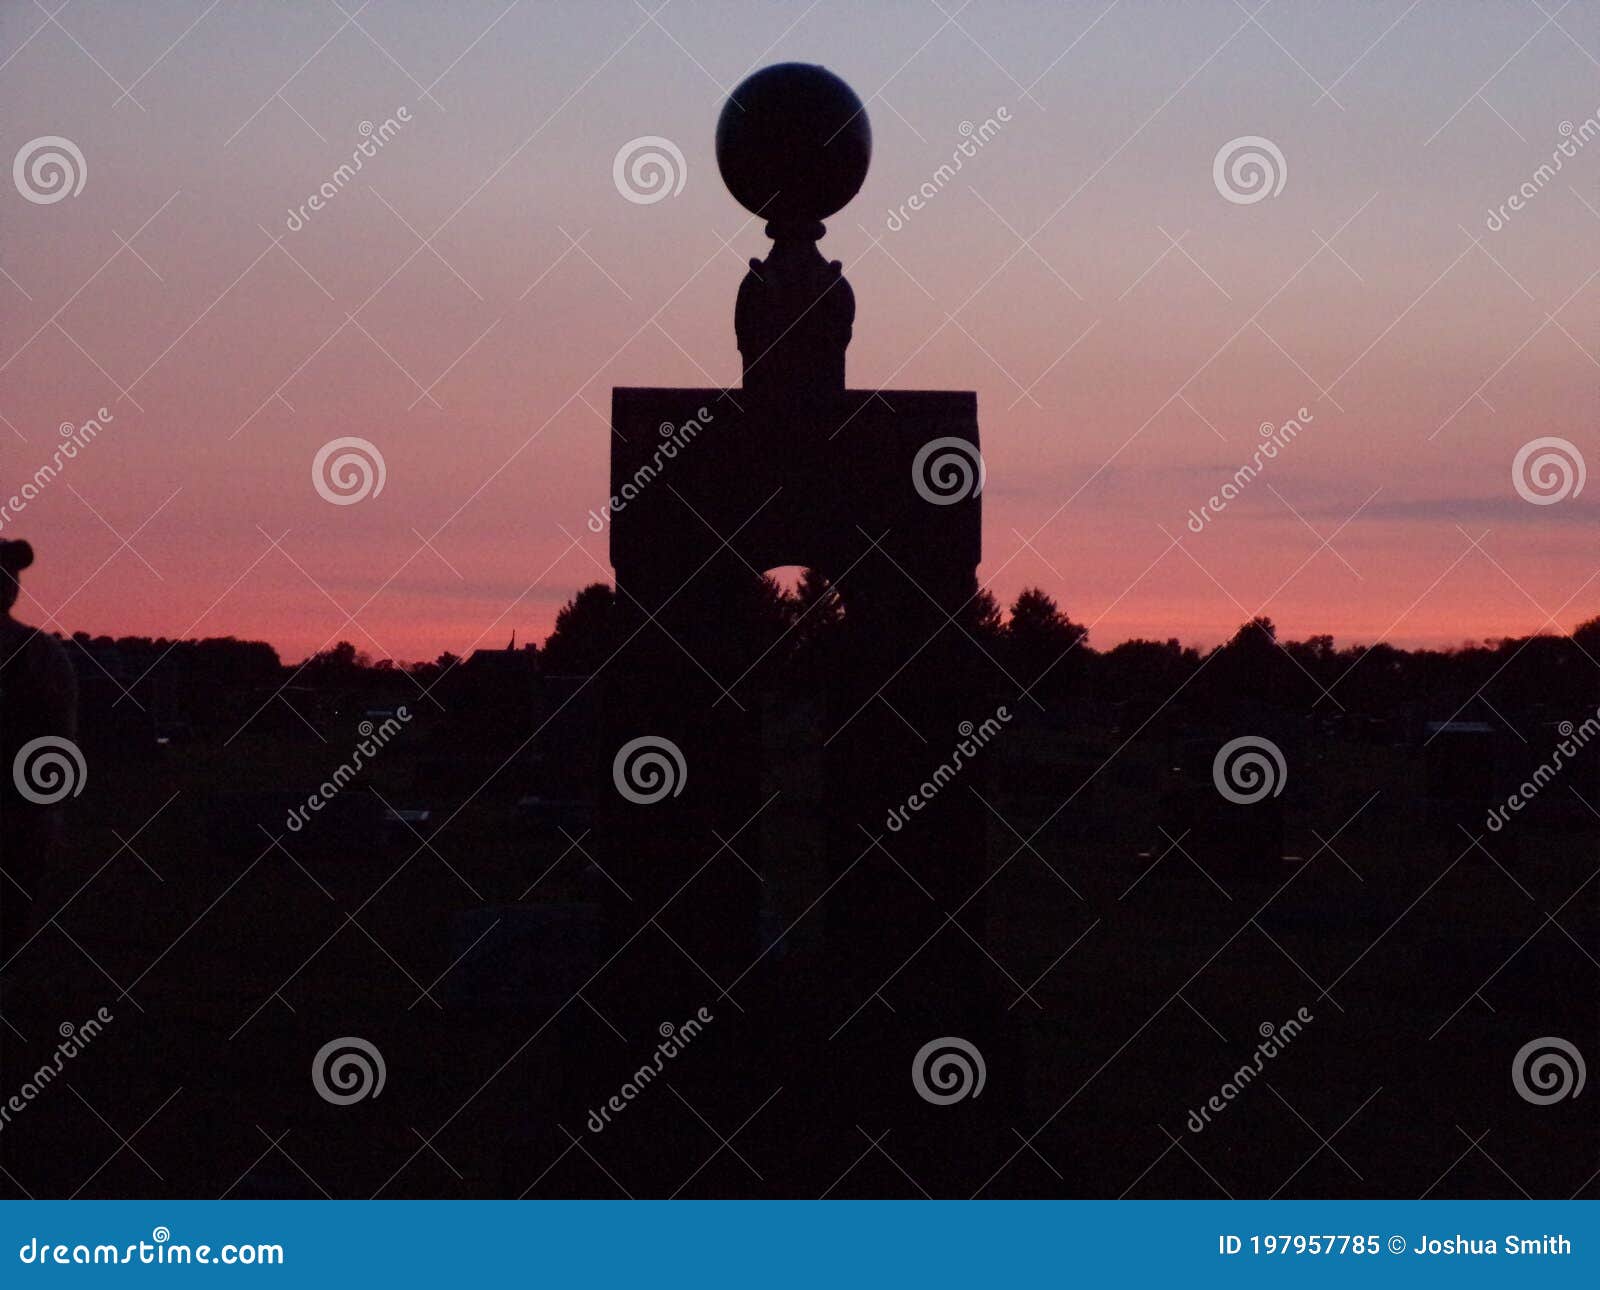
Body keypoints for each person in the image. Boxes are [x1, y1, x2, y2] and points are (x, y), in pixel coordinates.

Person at [0, 539, 79, 967]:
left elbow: (60, 737)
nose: (6, 581)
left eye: (9, 573)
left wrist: (48, 808)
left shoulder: (43, 654)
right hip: (25, 813)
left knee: (11, 916)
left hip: (21, 814)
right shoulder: (44, 654)